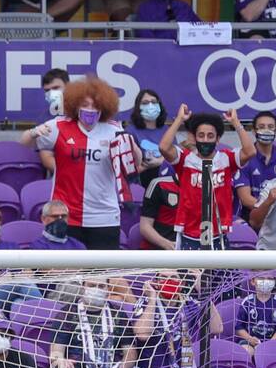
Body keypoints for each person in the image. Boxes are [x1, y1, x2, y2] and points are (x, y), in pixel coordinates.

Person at [22, 76, 149, 249]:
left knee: (102, 274)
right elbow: (24, 143)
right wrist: (34, 132)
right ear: (74, 105)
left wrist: (132, 145)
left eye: (95, 106)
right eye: (85, 104)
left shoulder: (113, 129)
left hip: (104, 216)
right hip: (65, 215)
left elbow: (136, 162)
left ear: (103, 107)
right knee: (68, 273)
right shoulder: (59, 125)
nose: (90, 110)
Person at [159, 105, 254, 250]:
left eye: (210, 136)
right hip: (189, 234)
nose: (205, 139)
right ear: (194, 138)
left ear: (217, 140)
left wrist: (236, 122)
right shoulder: (185, 159)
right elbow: (164, 147)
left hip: (218, 234)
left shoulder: (226, 159)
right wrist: (179, 120)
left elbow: (250, 152)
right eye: (201, 135)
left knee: (218, 273)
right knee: (188, 274)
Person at [50, 279, 133, 368]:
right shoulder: (67, 314)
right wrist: (61, 362)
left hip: (111, 366)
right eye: (92, 285)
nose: (96, 290)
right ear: (83, 287)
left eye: (101, 286)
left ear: (108, 289)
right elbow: (56, 351)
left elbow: (130, 351)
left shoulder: (118, 314)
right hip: (79, 366)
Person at [234, 110, 276, 213]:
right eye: (261, 127)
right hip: (250, 217)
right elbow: (245, 199)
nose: (266, 130)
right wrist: (268, 206)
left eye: (270, 127)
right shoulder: (245, 159)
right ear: (254, 131)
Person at [235, 276, 276, 358]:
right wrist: (249, 339)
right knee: (245, 352)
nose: (266, 282)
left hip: (272, 343)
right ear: (252, 281)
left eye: (270, 279)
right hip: (249, 342)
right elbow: (239, 328)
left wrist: (269, 344)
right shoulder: (247, 302)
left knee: (273, 355)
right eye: (261, 278)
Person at [34, 68, 69, 174]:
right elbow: (47, 158)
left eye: (56, 88)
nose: (52, 93)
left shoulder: (87, 111)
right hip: (61, 177)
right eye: (47, 90)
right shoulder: (44, 119)